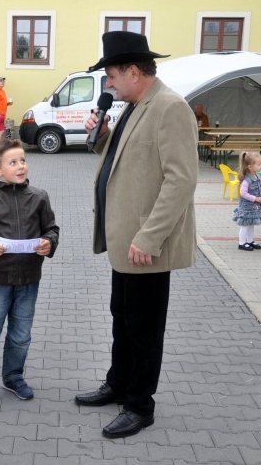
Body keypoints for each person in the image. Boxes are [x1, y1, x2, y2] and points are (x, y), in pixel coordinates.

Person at [75, 31, 198, 439]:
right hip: (123, 240)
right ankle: (119, 383)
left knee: (144, 329)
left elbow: (180, 181)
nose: (107, 83)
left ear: (132, 70)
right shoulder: (135, 105)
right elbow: (126, 160)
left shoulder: (169, 107)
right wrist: (102, 136)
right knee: (121, 319)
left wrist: (149, 237)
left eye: (110, 74)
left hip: (145, 243)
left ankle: (140, 405)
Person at [0, 139, 59, 409]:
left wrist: (49, 243)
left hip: (30, 280)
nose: (20, 166)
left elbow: (52, 229)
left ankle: (13, 376)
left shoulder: (39, 197)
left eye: (23, 160)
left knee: (21, 335)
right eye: (13, 162)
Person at [232, 152, 261, 251]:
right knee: (245, 225)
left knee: (251, 224)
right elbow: (243, 193)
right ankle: (242, 242)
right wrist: (255, 198)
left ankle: (250, 240)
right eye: (259, 164)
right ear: (250, 166)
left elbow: (260, 188)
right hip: (247, 207)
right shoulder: (247, 180)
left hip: (255, 207)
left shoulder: (258, 177)